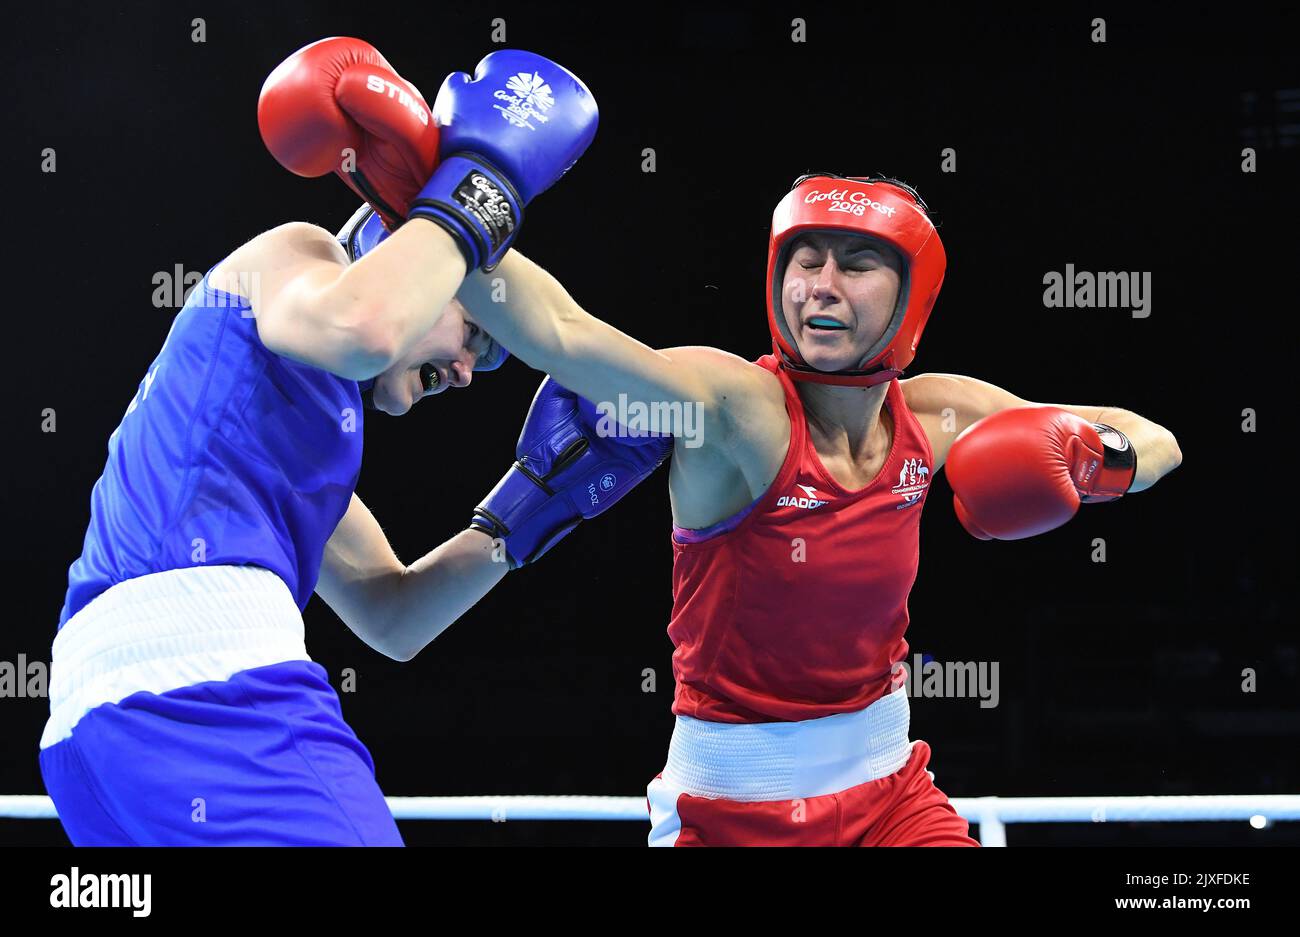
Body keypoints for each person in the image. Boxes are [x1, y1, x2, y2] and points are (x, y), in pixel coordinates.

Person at [36, 38, 655, 846]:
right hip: (207, 695)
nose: (470, 370)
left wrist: (534, 505)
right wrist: (485, 185)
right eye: (476, 331)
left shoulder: (300, 438)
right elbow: (364, 323)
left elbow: (391, 613)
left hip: (94, 734)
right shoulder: (297, 253)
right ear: (394, 244)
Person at [452, 172, 1184, 846]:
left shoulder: (937, 416)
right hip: (729, 815)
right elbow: (563, 334)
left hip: (893, 795)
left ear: (911, 294)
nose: (823, 287)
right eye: (807, 261)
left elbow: (1160, 442)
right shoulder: (739, 409)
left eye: (857, 264)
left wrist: (1098, 458)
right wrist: (441, 208)